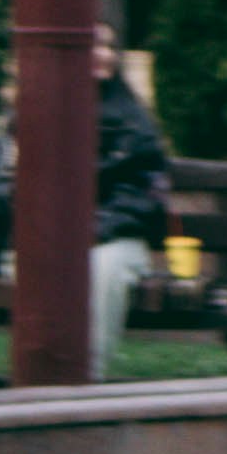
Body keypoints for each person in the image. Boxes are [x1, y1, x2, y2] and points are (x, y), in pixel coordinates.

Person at [88, 33, 169, 379]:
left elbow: (143, 196)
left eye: (108, 45)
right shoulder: (34, 110)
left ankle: (88, 377)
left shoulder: (135, 122)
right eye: (92, 44)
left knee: (104, 268)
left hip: (117, 235)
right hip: (48, 235)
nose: (103, 54)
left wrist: (101, 227)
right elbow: (7, 180)